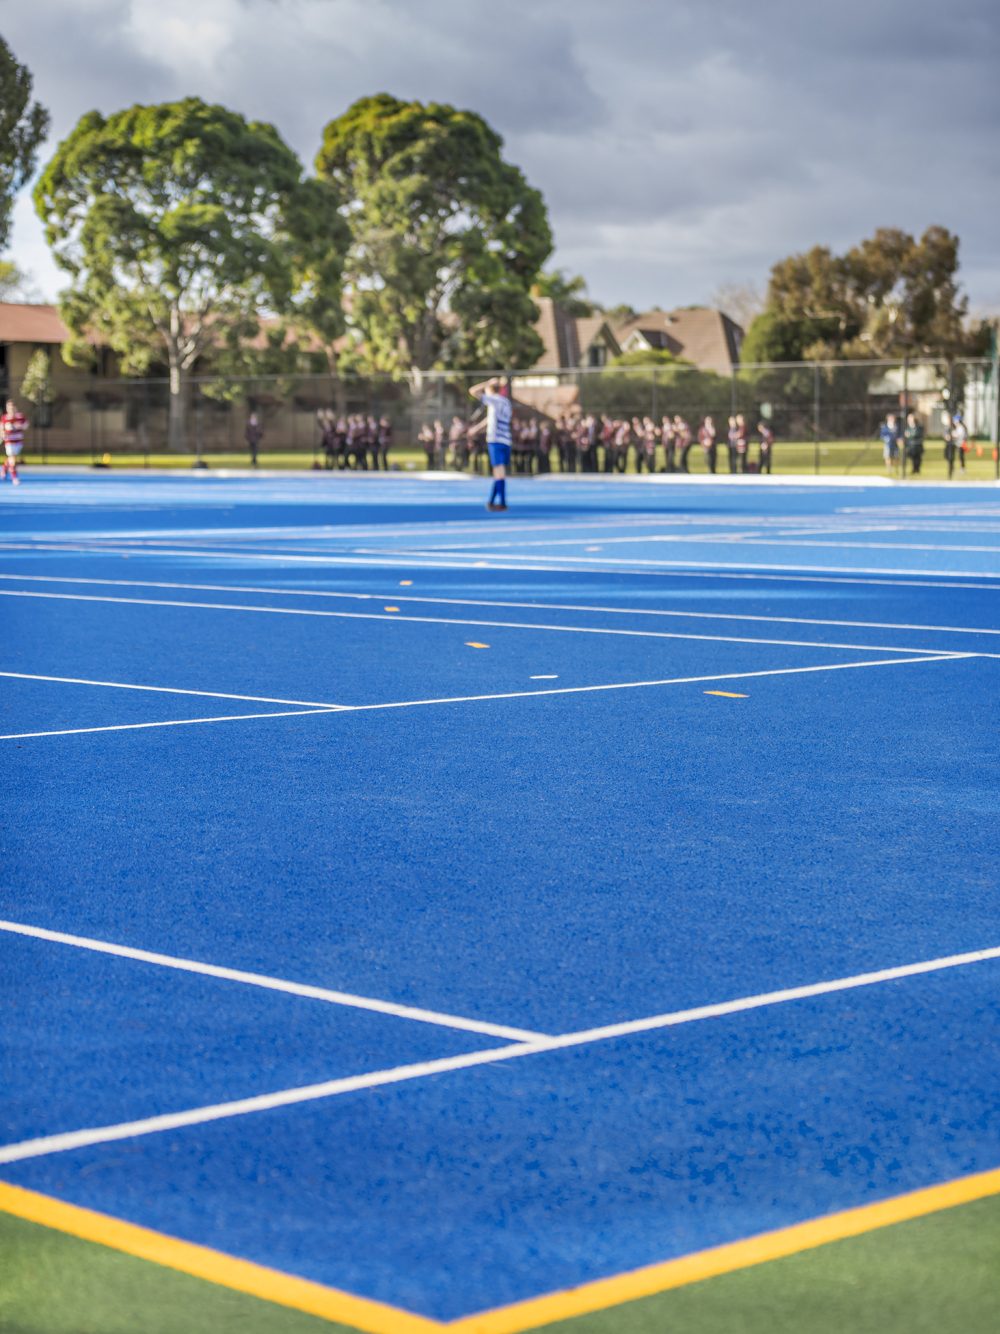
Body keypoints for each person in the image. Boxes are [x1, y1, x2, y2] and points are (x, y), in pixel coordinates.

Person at [469, 376, 513, 511]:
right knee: (498, 472)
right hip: (506, 440)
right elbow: (491, 419)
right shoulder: (506, 402)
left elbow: (472, 391)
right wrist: (476, 429)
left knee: (499, 473)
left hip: (496, 440)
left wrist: (487, 383)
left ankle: (503, 503)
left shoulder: (493, 399)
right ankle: (492, 502)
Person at [1, 398, 27, 485]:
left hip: (18, 441)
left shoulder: (20, 416)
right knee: (13, 459)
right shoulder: (4, 418)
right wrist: (3, 433)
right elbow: (1, 429)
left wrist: (16, 426)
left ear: (15, 407)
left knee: (11, 458)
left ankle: (4, 470)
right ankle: (15, 478)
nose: (10, 409)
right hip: (9, 441)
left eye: (12, 407)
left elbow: (26, 426)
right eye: (9, 407)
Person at [904, 412, 924, 476]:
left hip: (918, 445)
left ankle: (917, 469)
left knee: (918, 458)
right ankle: (914, 469)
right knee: (912, 457)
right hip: (911, 445)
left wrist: (910, 435)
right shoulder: (908, 427)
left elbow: (918, 434)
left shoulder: (919, 427)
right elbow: (906, 435)